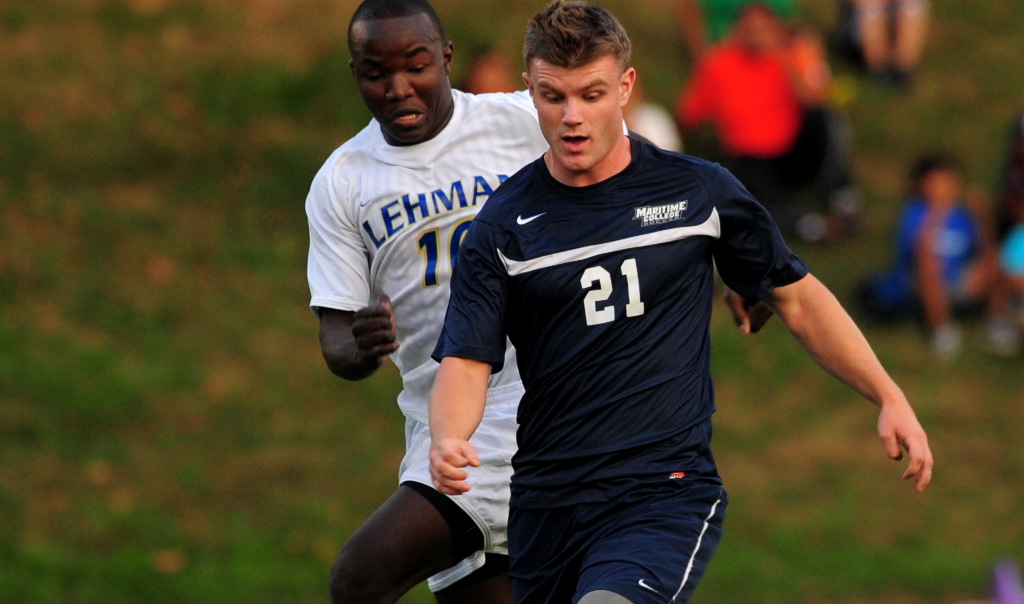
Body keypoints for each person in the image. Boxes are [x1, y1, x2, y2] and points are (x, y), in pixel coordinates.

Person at [428, 2, 933, 604]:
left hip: (661, 492)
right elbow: (466, 359)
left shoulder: (697, 193)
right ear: (528, 90)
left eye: (591, 95)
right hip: (546, 500)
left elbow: (797, 300)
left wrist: (887, 392)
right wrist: (448, 438)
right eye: (552, 96)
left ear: (626, 87)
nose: (571, 118)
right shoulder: (503, 226)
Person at [304, 0, 551, 601]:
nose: (397, 87)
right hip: (438, 430)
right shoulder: (344, 180)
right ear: (355, 73)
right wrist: (359, 347)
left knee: (358, 579)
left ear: (445, 58)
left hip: (528, 404)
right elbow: (335, 340)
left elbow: (639, 171)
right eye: (374, 72)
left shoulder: (522, 121)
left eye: (415, 65)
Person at [676, 2, 858, 241]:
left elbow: (815, 100)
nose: (756, 33)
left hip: (792, 151)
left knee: (827, 121)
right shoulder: (718, 63)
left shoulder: (793, 54)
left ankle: (841, 199)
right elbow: (689, 117)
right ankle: (810, 226)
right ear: (737, 28)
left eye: (763, 27)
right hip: (750, 157)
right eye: (750, 27)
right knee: (740, 180)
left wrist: (785, 59)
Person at [856, 153, 1017, 357]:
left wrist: (982, 217)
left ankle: (997, 323)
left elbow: (985, 251)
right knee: (930, 265)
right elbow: (918, 250)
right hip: (918, 286)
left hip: (957, 283)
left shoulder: (964, 215)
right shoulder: (915, 213)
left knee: (999, 257)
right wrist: (937, 213)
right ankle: (940, 328)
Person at [834, 0, 929, 89]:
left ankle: (901, 68)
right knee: (872, 5)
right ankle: (880, 68)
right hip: (859, 26)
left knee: (911, 4)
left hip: (892, 15)